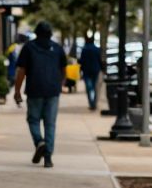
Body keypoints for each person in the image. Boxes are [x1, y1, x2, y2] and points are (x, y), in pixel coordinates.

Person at [14, 21, 67, 168]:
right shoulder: (57, 48)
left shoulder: (29, 47)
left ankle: (39, 142)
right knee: (50, 124)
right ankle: (48, 157)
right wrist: (60, 85)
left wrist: (17, 91)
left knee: (33, 120)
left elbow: (21, 71)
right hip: (52, 91)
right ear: (50, 34)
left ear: (36, 32)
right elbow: (64, 70)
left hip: (34, 89)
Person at [78, 35, 102, 110]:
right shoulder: (97, 49)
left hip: (86, 70)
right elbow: (100, 60)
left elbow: (81, 61)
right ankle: (93, 102)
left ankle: (91, 102)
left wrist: (80, 69)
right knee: (94, 87)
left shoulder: (84, 49)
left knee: (89, 87)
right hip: (95, 70)